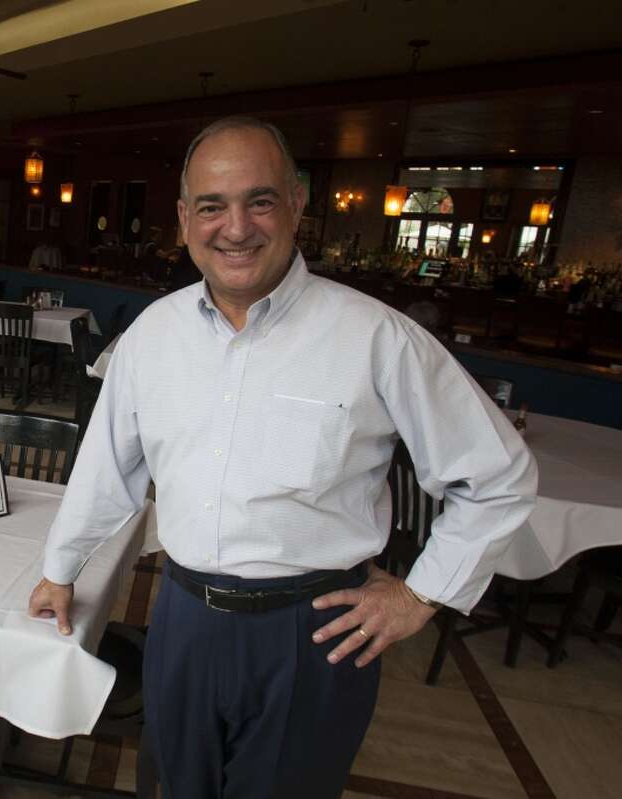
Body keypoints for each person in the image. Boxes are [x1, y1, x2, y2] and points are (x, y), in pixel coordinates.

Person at [29, 117, 536, 798]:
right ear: (184, 220)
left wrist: (422, 592)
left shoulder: (377, 337)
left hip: (312, 635)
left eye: (259, 201)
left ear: (297, 206)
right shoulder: (152, 336)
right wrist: (60, 570)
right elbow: (106, 471)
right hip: (180, 619)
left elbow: (499, 476)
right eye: (212, 206)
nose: (235, 227)